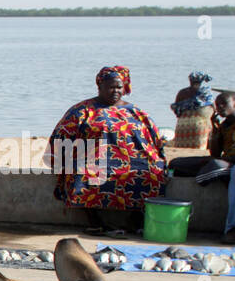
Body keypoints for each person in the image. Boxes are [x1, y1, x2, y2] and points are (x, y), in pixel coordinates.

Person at [48, 66, 167, 235]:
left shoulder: (136, 112)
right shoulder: (82, 111)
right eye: (111, 87)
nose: (115, 91)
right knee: (84, 173)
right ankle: (96, 222)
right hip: (93, 160)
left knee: (152, 173)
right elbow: (61, 136)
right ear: (100, 86)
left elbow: (154, 140)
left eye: (119, 87)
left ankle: (135, 220)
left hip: (133, 161)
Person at [168, 71, 215, 151]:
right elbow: (212, 108)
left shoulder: (182, 92)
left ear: (190, 80)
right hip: (199, 124)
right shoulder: (205, 93)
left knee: (181, 149)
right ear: (202, 81)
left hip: (182, 125)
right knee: (199, 150)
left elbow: (176, 110)